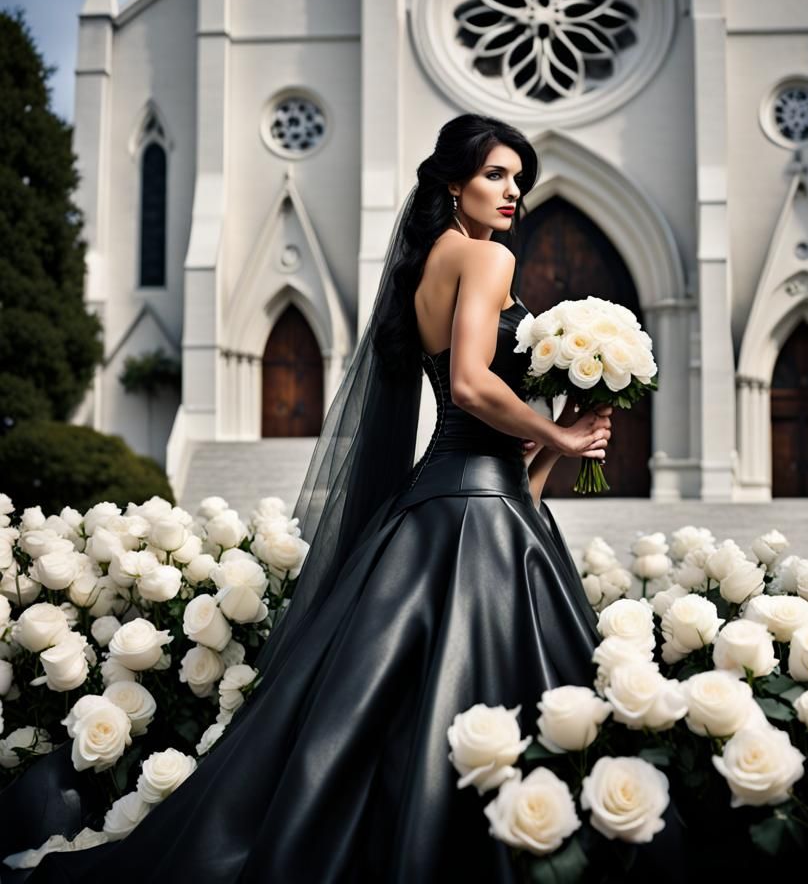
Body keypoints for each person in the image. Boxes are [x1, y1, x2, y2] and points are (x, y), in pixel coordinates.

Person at [0, 114, 684, 881]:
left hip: (452, 506)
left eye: (517, 180)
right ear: (452, 183)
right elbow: (467, 385)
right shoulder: (487, 259)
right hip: (480, 519)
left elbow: (494, 445)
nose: (512, 192)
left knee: (382, 716)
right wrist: (560, 437)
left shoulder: (428, 265)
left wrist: (554, 438)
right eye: (494, 175)